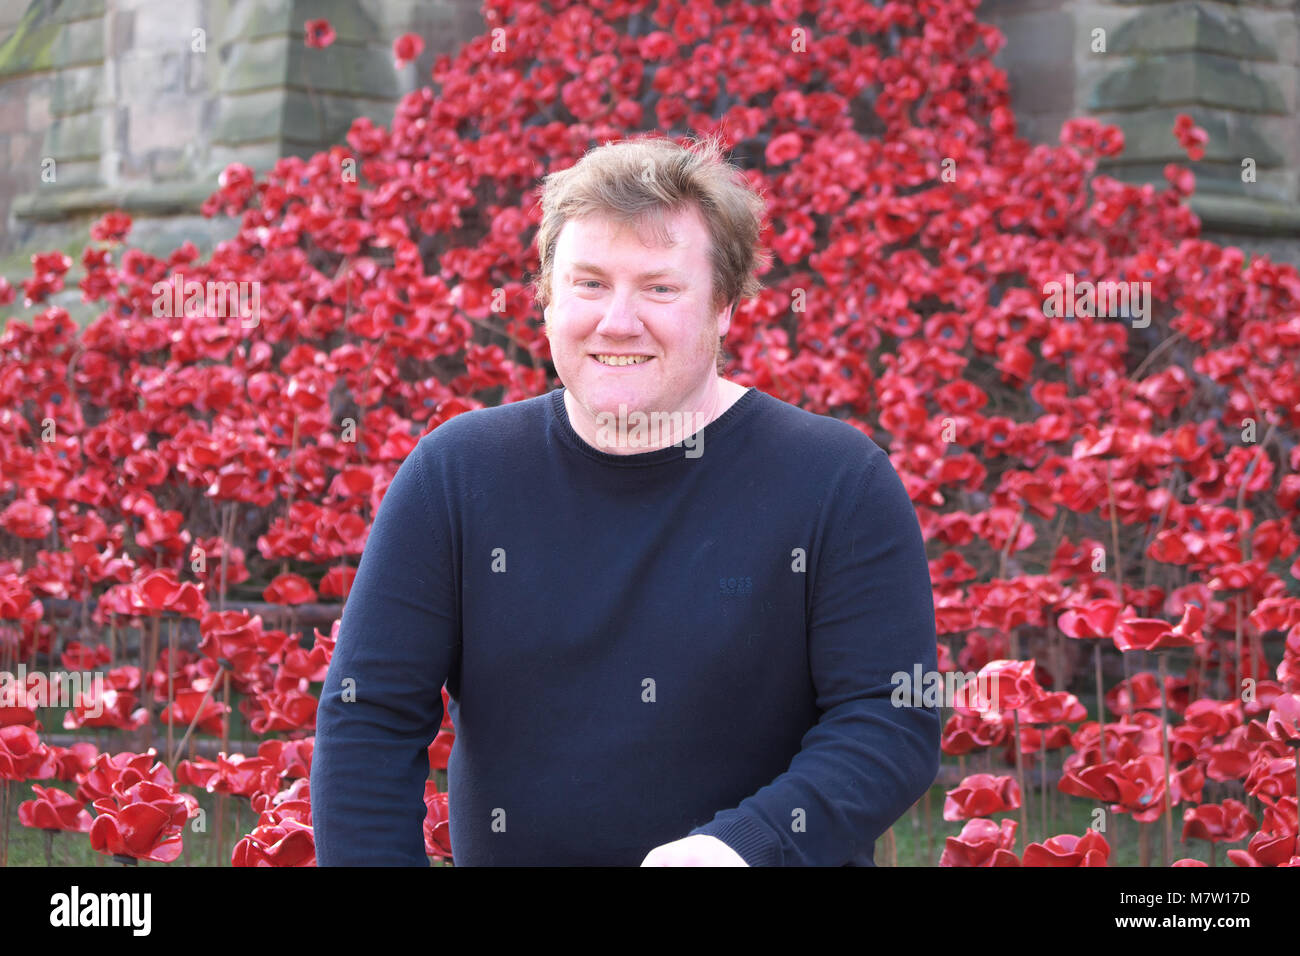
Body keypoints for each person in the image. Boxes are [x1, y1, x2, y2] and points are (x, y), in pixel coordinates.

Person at [311, 134, 940, 866]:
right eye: (589, 284)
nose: (617, 320)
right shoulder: (456, 473)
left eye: (660, 288)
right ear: (547, 298)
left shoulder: (839, 480)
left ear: (726, 307)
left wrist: (740, 849)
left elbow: (889, 720)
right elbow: (370, 719)